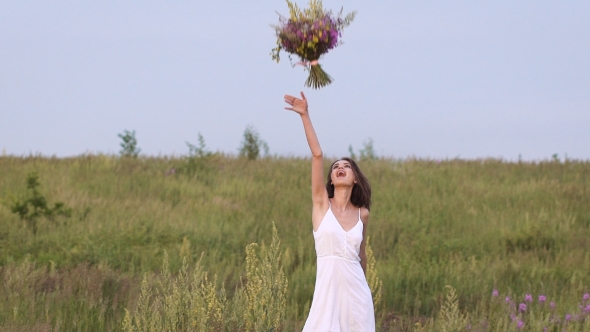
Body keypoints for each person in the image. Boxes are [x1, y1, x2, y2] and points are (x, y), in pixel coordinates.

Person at [284, 92, 375, 331]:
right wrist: (305, 115)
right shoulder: (322, 205)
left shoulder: (362, 214)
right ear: (332, 179)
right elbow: (317, 155)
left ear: (355, 179)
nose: (340, 168)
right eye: (336, 167)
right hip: (327, 297)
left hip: (357, 299)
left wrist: (365, 291)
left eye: (347, 166)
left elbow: (361, 257)